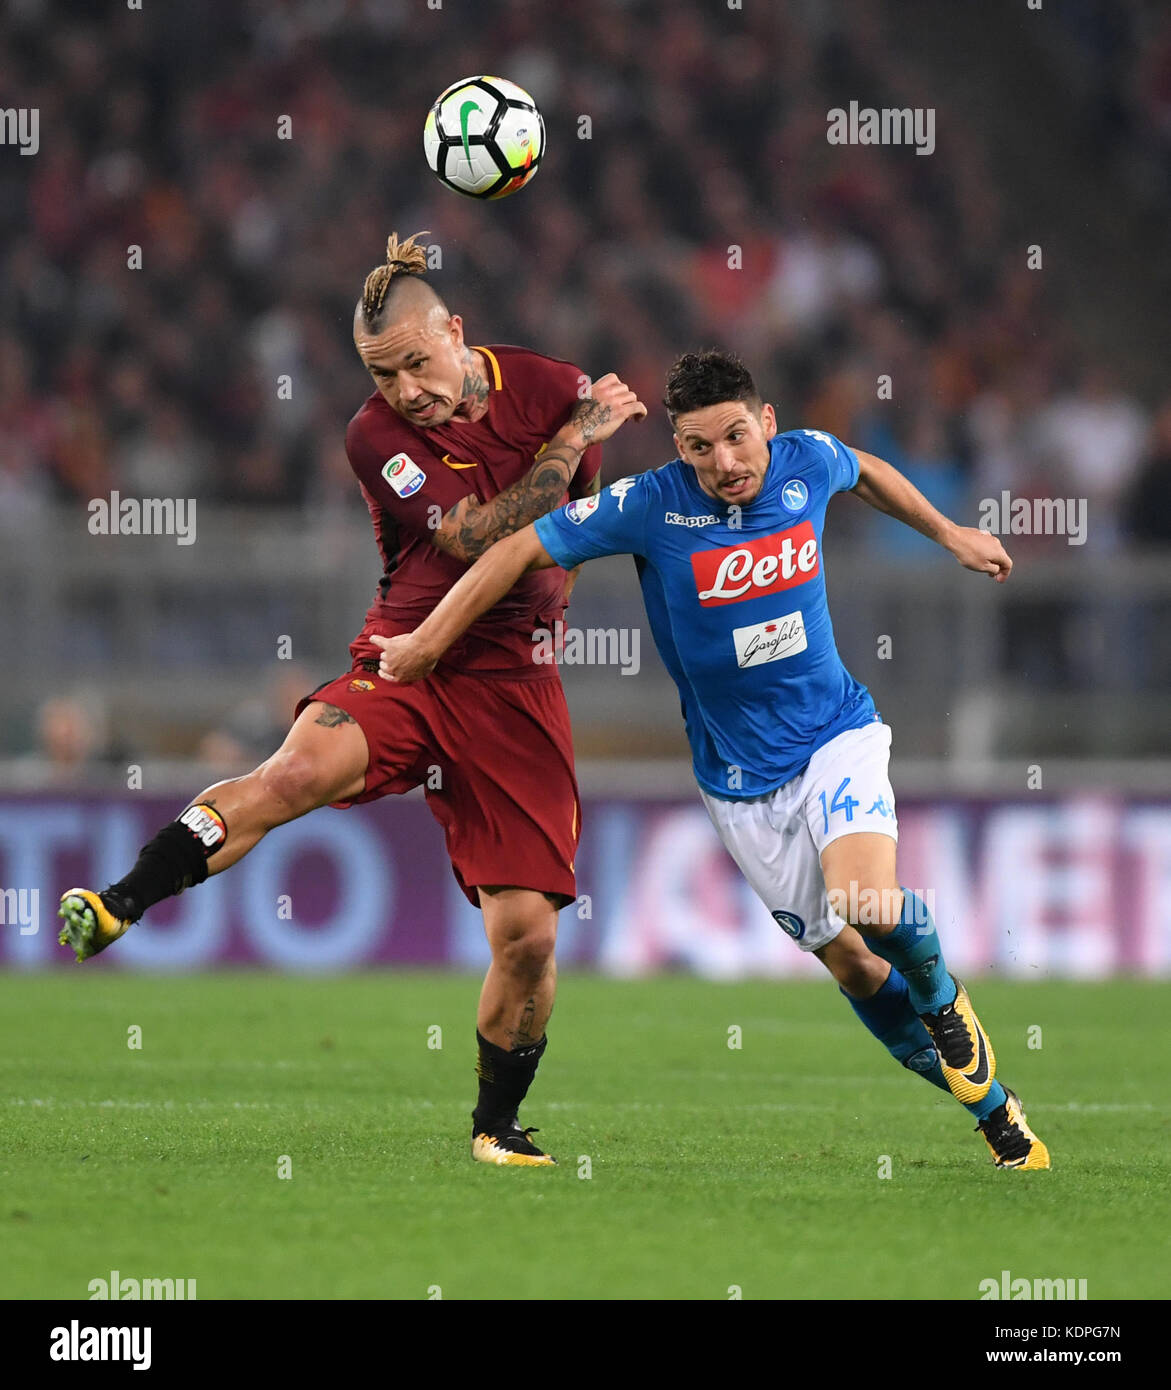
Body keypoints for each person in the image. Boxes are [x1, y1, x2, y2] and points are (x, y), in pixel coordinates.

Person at [374, 349, 1050, 1171]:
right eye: (699, 447)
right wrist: (426, 642)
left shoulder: (805, 458)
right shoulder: (647, 505)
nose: (723, 462)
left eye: (736, 437)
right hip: (737, 784)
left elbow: (864, 469)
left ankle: (944, 1001)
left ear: (765, 423)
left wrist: (948, 533)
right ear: (677, 447)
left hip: (835, 735)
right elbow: (514, 551)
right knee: (850, 965)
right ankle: (991, 1110)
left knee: (867, 901)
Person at [58, 231, 647, 1168]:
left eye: (417, 364)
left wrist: (574, 459)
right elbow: (471, 536)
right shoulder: (375, 435)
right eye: (383, 375)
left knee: (526, 936)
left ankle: (496, 1128)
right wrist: (575, 435)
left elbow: (576, 516)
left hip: (515, 685)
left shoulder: (545, 381)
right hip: (406, 663)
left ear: (457, 332)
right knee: (293, 770)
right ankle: (123, 898)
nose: (405, 391)